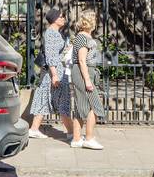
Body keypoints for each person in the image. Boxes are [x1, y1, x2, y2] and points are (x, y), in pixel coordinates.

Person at [28, 9, 72, 139]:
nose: (64, 18)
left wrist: (66, 49)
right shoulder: (51, 34)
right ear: (55, 19)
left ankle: (34, 129)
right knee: (62, 99)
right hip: (53, 72)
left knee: (45, 97)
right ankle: (71, 133)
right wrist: (55, 75)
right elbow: (51, 56)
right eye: (61, 16)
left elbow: (56, 53)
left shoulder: (55, 33)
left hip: (53, 71)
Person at [69, 10, 106, 150]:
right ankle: (89, 139)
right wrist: (88, 81)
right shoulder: (83, 38)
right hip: (83, 72)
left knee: (81, 106)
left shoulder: (84, 36)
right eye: (94, 18)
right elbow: (81, 61)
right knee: (95, 106)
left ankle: (76, 139)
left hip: (85, 72)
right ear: (90, 21)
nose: (96, 21)